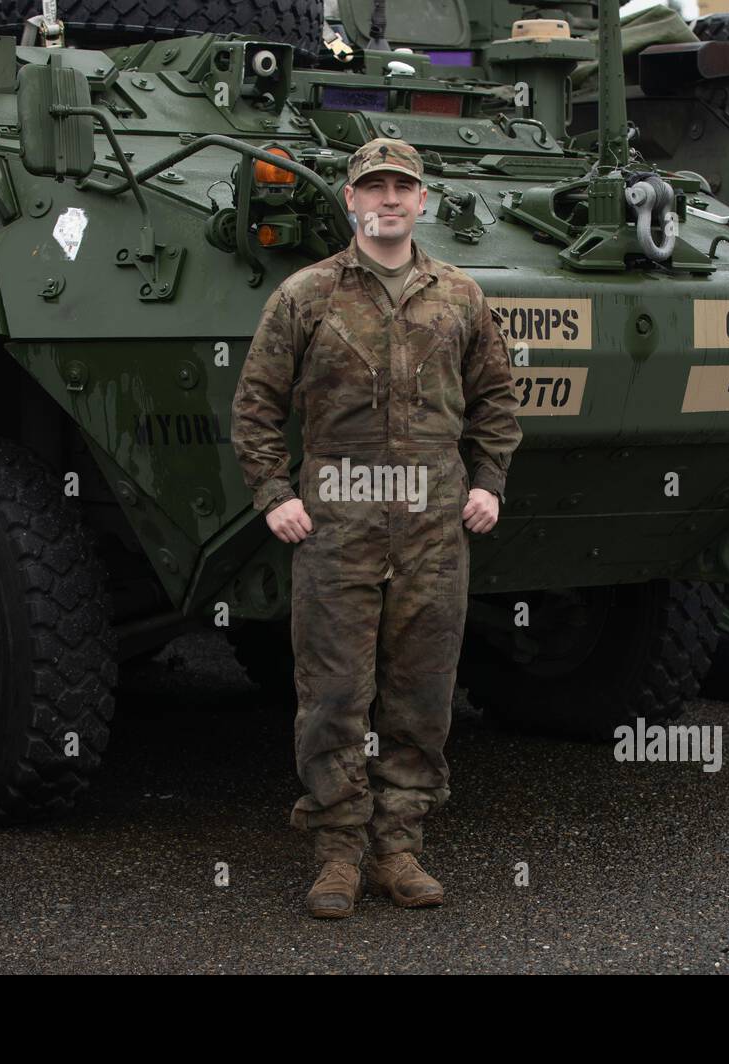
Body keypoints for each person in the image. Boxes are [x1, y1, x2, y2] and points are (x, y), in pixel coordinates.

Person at [231, 138, 522, 918]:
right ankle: (336, 854)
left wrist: (489, 483)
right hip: (339, 522)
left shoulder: (459, 296)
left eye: (403, 188)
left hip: (433, 525)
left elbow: (495, 399)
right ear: (352, 202)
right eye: (373, 188)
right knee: (332, 695)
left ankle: (399, 848)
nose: (389, 200)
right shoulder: (307, 295)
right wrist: (273, 493)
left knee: (422, 694)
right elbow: (257, 403)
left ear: (422, 202)